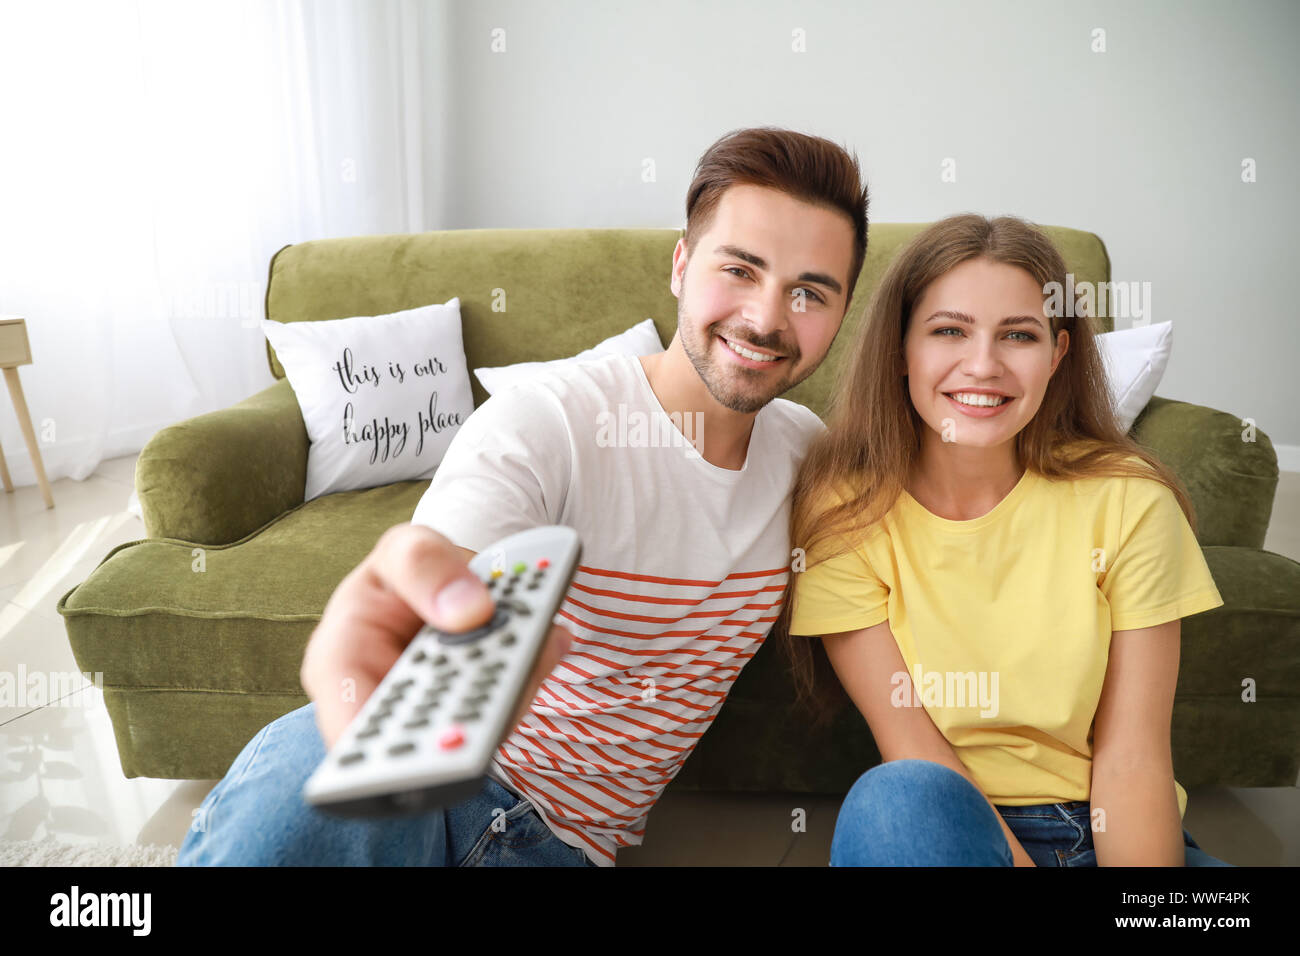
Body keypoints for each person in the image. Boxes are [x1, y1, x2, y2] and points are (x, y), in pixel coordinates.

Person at [176, 126, 869, 866]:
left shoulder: (809, 460)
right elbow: (441, 572)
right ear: (680, 266)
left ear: (843, 311)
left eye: (808, 293)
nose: (766, 317)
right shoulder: (548, 420)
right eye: (739, 269)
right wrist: (416, 617)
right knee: (314, 761)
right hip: (417, 782)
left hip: (560, 851)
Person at [781, 214, 1231, 867]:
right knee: (895, 796)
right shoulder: (845, 511)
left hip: (1110, 829)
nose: (983, 365)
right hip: (949, 825)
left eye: (1018, 335)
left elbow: (1133, 758)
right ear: (899, 352)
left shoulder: (1131, 500)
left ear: (1057, 353)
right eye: (949, 331)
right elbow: (910, 743)